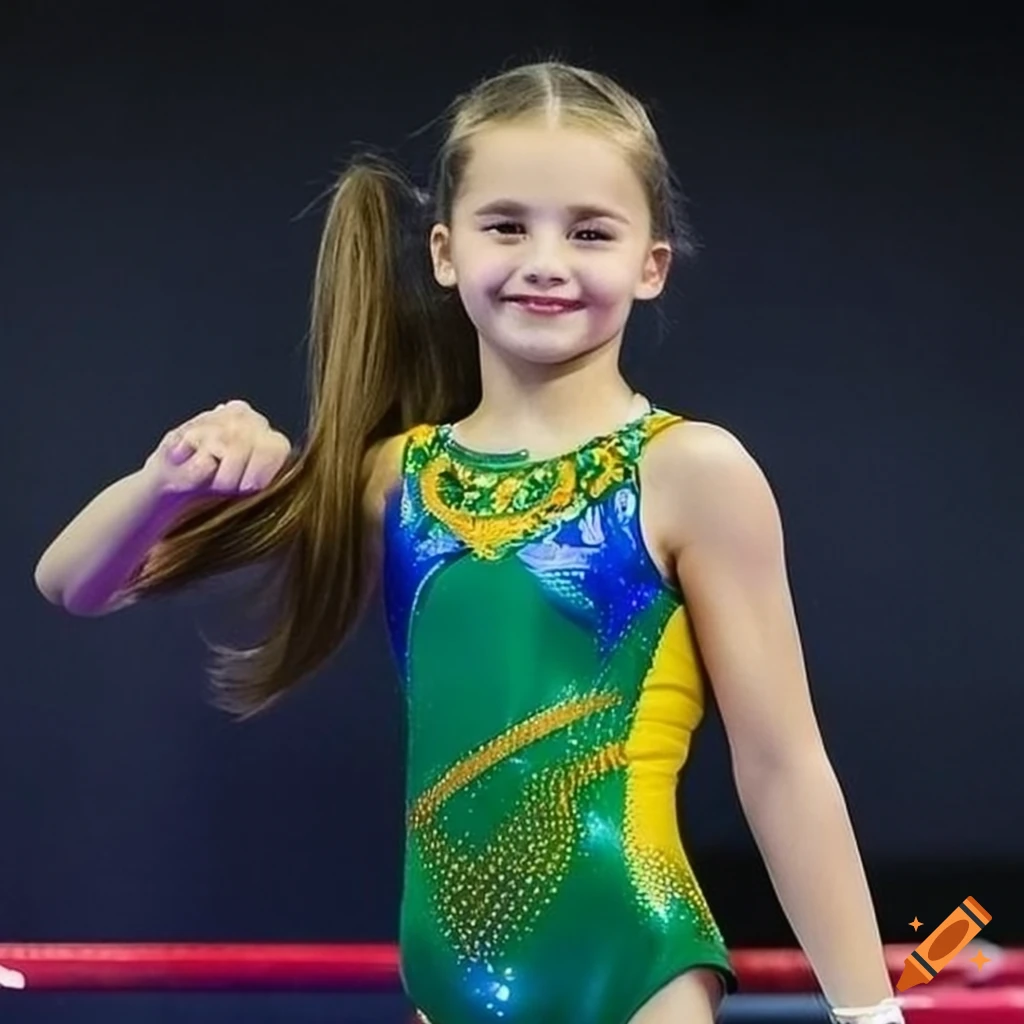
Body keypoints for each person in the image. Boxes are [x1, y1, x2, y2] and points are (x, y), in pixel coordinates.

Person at [34, 60, 904, 1024]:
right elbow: (75, 583)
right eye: (507, 225)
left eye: (588, 231)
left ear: (650, 263)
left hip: (636, 968)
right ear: (446, 252)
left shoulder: (692, 472)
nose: (544, 259)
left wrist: (869, 1012)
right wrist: (168, 480)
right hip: (447, 982)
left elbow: (782, 763)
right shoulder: (390, 479)